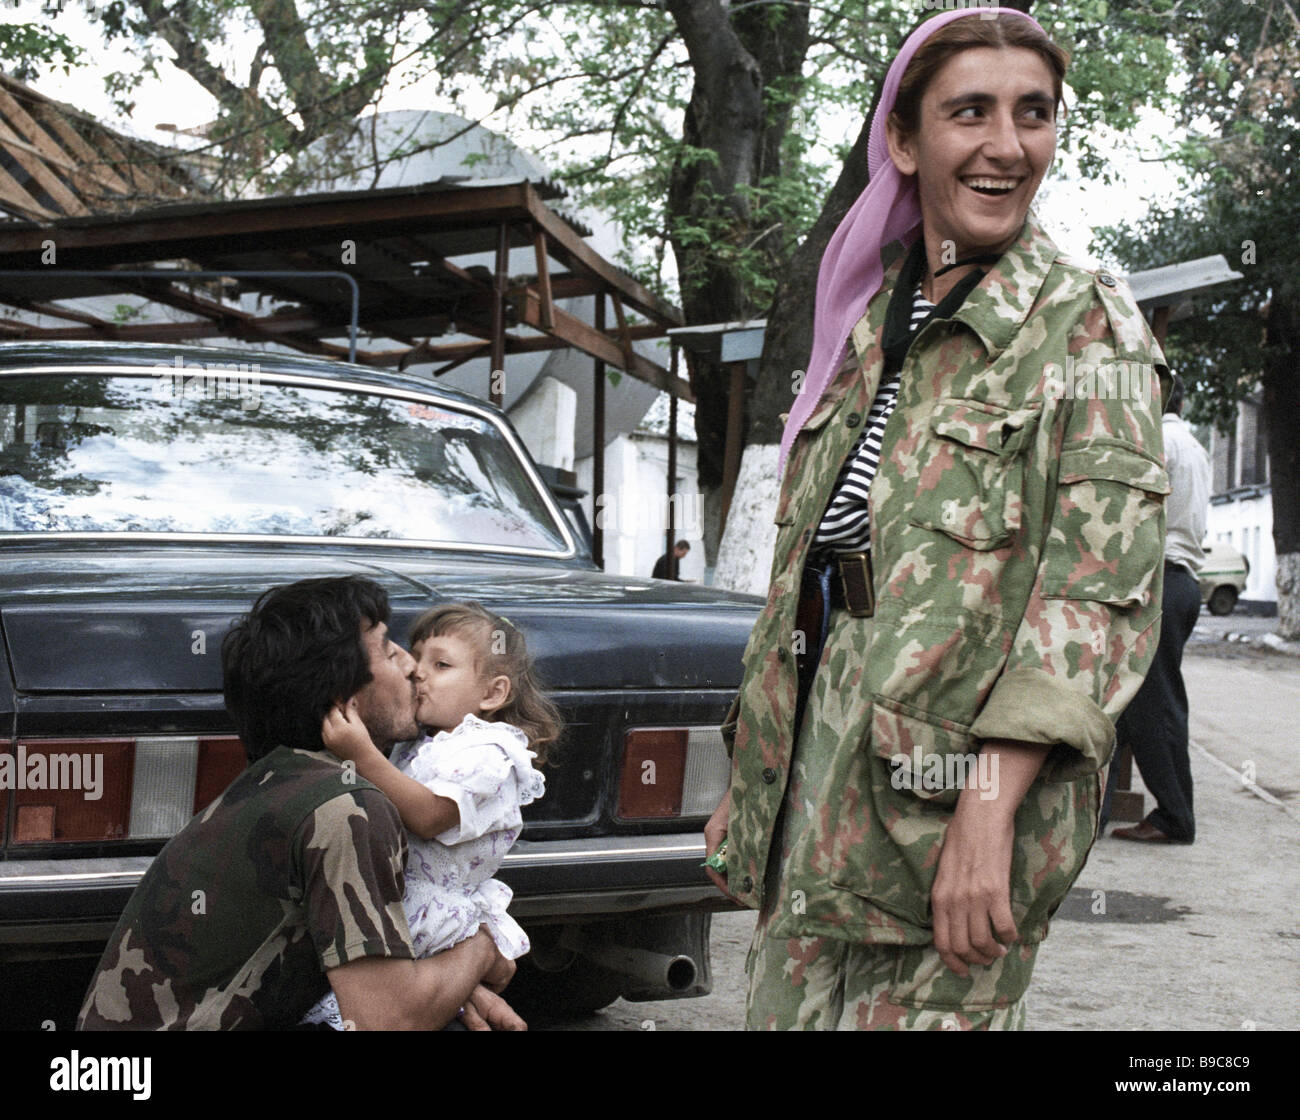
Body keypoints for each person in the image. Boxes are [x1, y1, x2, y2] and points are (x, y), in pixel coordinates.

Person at [706, 7, 1170, 1031]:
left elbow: (1092, 602)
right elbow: (811, 571)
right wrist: (757, 772)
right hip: (817, 801)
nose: (1007, 144)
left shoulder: (1088, 327)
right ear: (905, 142)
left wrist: (988, 810)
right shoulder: (869, 320)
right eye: (970, 112)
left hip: (944, 820)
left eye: (1033, 113)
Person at [77, 576, 520, 1031]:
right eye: (390, 652)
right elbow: (388, 1022)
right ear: (344, 702)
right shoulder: (345, 807)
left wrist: (457, 990)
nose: (412, 666)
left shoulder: (283, 776)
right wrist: (485, 945)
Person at [300, 602, 561, 1028]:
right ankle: (472, 1003)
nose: (417, 672)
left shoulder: (488, 753)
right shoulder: (426, 742)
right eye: (417, 657)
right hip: (400, 896)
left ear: (492, 694)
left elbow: (430, 816)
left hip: (429, 910)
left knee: (380, 1000)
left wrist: (361, 754)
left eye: (441, 665)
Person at [1105, 375, 1211, 843]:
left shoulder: (1159, 442)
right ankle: (1099, 810)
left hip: (1158, 582)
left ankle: (1175, 818)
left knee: (1154, 704)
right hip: (1180, 582)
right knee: (1129, 704)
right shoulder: (1194, 446)